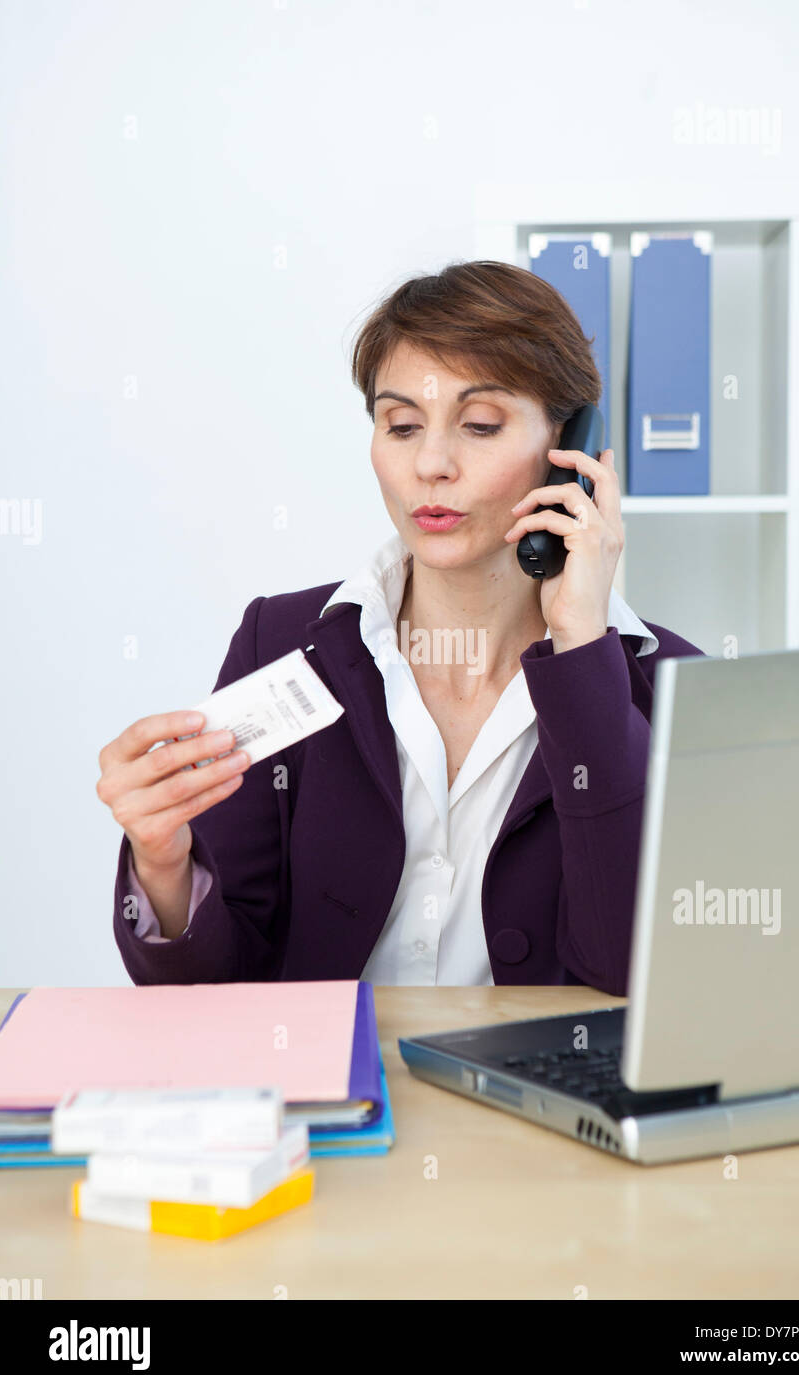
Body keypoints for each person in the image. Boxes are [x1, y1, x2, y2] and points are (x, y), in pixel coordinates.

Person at [97, 259, 703, 991]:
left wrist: (581, 650)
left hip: (535, 1104)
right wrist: (163, 862)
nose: (431, 464)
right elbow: (219, 990)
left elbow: (629, 973)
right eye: (402, 424)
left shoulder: (666, 686)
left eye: (480, 425)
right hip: (333, 1094)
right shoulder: (285, 642)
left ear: (570, 449)